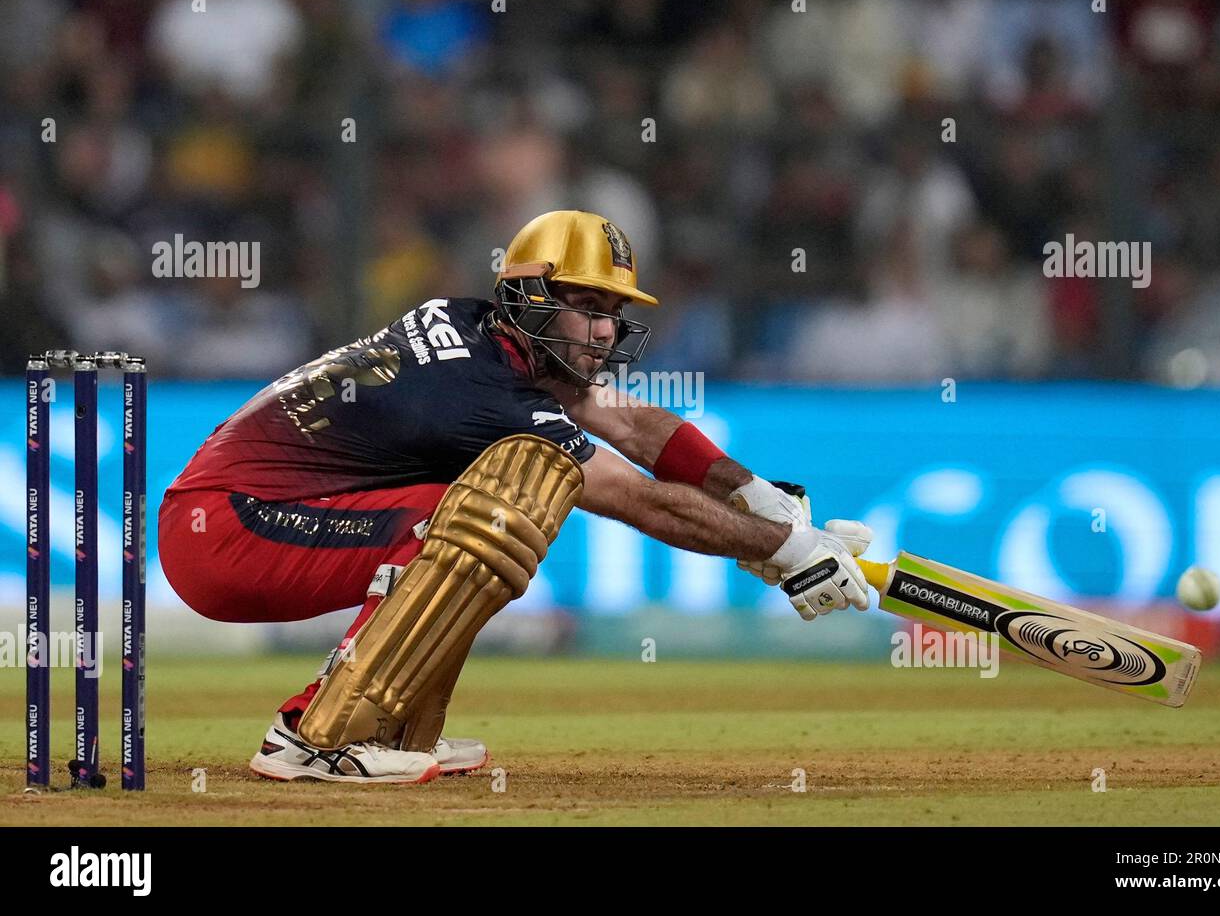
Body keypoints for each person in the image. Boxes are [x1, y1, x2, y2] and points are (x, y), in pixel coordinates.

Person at [158, 210, 872, 784]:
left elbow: (628, 420)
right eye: (588, 305)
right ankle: (316, 735)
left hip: (238, 512)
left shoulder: (479, 330)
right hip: (223, 530)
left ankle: (392, 725)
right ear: (531, 299)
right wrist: (791, 550)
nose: (604, 329)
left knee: (482, 502)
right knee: (493, 512)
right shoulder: (483, 391)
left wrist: (752, 492)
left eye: (613, 310)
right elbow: (639, 500)